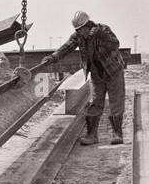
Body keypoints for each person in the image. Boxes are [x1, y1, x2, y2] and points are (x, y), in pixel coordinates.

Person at [50, 11, 125, 146]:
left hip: (113, 71)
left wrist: (101, 37)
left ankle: (117, 134)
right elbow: (66, 47)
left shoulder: (103, 30)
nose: (80, 32)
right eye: (77, 30)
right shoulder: (78, 36)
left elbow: (115, 43)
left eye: (82, 29)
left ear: (88, 25)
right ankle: (91, 135)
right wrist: (53, 57)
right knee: (95, 103)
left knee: (116, 103)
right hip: (97, 74)